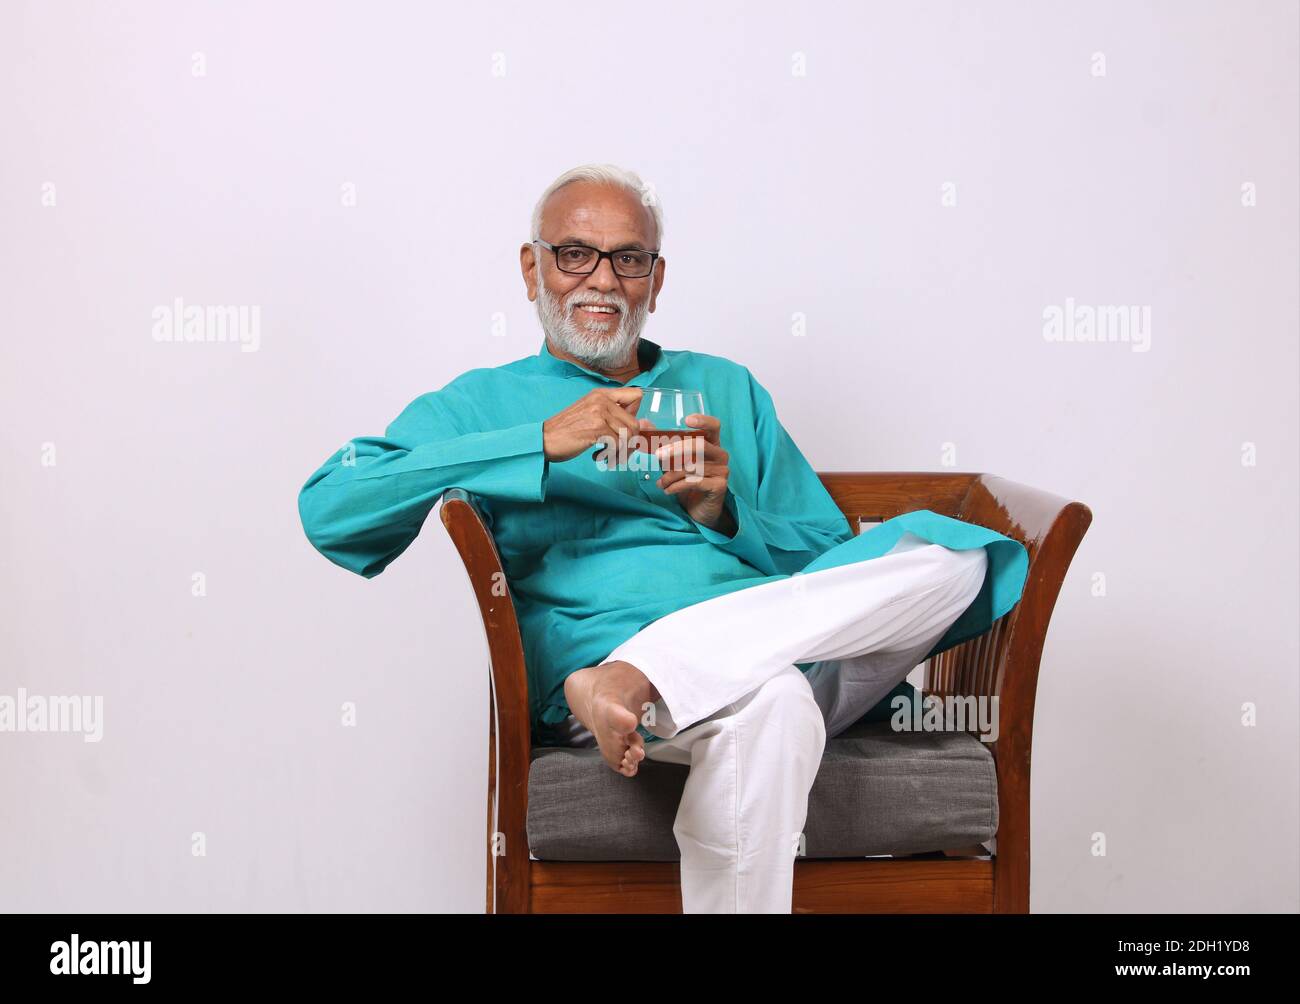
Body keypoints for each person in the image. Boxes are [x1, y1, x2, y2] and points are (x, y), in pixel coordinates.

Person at [298, 163, 1028, 913]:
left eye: (628, 258)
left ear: (656, 278)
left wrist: (727, 514)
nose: (602, 280)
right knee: (774, 702)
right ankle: (636, 674)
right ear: (531, 268)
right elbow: (330, 507)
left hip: (787, 654)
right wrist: (537, 442)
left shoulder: (728, 387)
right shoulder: (483, 403)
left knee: (961, 558)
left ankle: (647, 669)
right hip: (621, 682)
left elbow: (827, 564)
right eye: (574, 254)